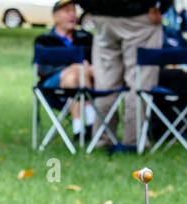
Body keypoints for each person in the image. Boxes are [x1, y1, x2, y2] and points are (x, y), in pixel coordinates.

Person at [85, 0, 169, 151]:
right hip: (138, 16)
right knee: (140, 81)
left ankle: (102, 138)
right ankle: (133, 140)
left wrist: (92, 8)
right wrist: (161, 8)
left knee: (105, 82)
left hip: (103, 16)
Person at [36, 0, 98, 133]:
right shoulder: (44, 40)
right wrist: (73, 67)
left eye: (74, 11)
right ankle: (90, 119)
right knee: (77, 69)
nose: (72, 15)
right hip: (53, 85)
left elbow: (97, 65)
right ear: (55, 16)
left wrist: (84, 69)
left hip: (80, 83)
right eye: (67, 11)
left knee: (73, 78)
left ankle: (78, 128)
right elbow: (43, 70)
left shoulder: (85, 38)